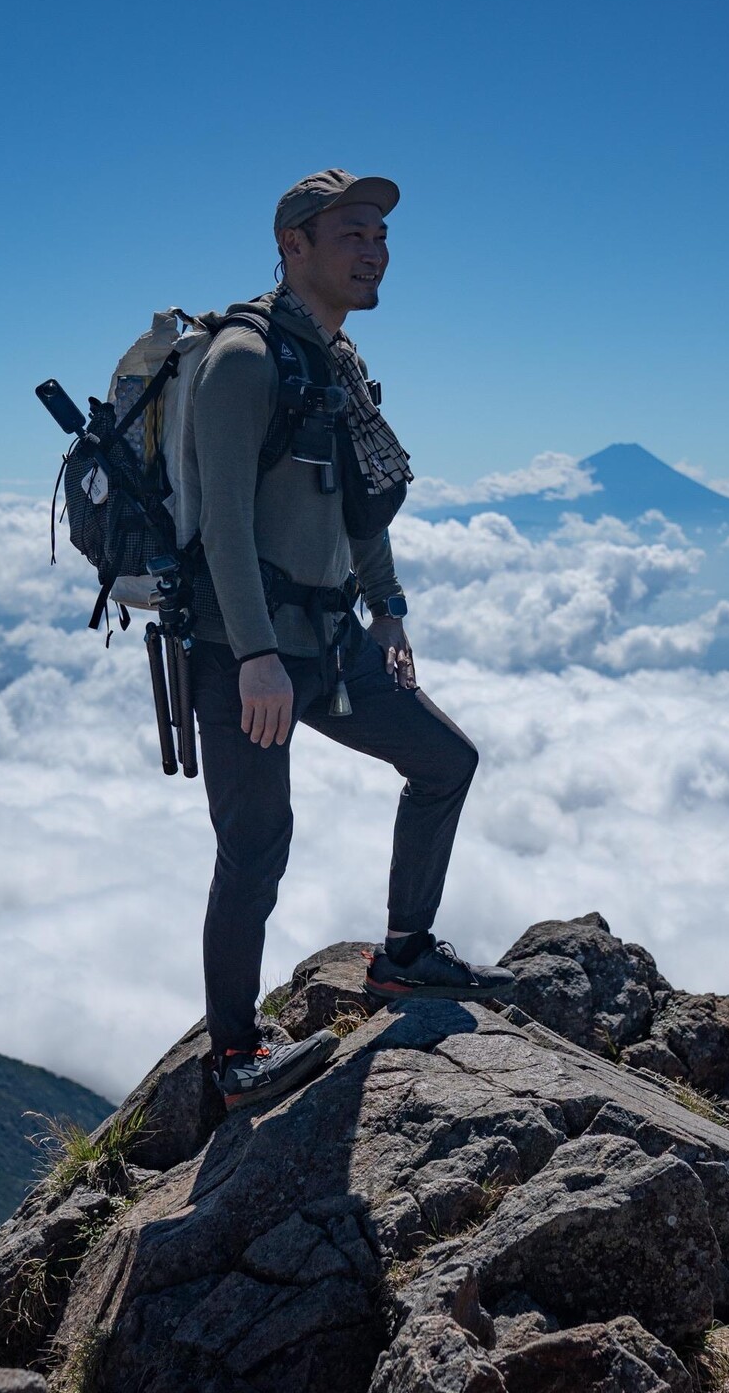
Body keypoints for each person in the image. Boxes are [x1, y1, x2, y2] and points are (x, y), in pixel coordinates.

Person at [189, 169, 514, 1109]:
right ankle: (234, 1056)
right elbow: (221, 528)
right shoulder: (245, 361)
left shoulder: (335, 362)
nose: (375, 250)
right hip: (241, 648)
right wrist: (254, 655)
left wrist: (390, 607)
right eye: (351, 235)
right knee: (255, 847)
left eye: (379, 235)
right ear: (293, 246)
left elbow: (361, 503)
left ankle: (404, 954)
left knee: (446, 761)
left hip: (330, 640)